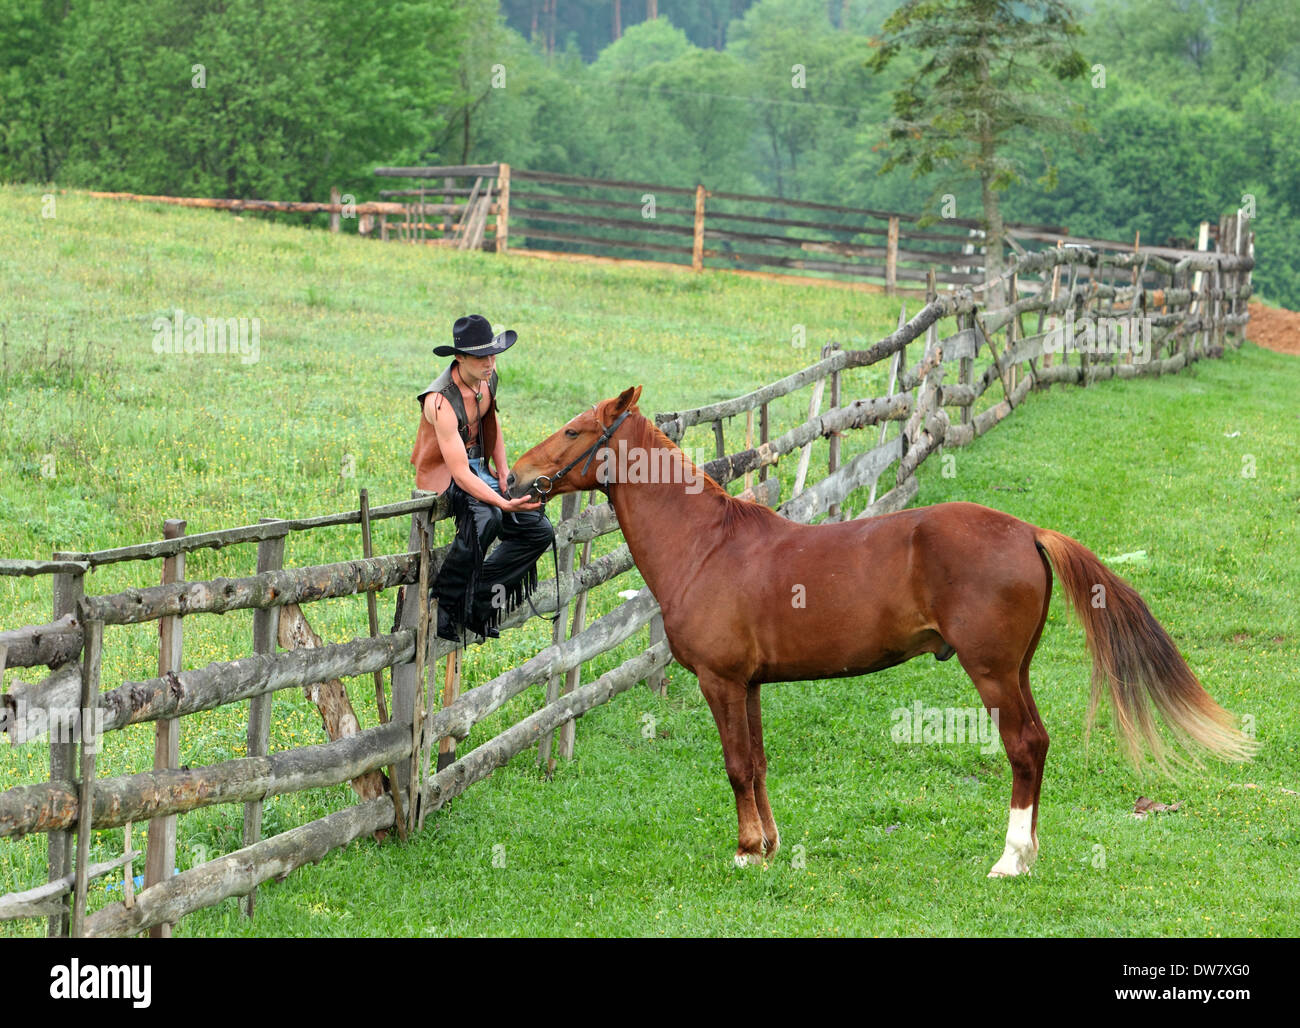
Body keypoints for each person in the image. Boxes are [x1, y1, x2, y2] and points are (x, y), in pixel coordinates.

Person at [410, 314, 552, 643]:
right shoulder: (440, 401)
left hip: (481, 468)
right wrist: (502, 501)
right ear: (459, 357)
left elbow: (492, 425)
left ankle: (477, 600)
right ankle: (445, 603)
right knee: (488, 517)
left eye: (493, 354)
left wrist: (504, 474)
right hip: (446, 474)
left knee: (538, 530)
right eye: (480, 356)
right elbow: (459, 472)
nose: (490, 362)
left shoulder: (488, 378)